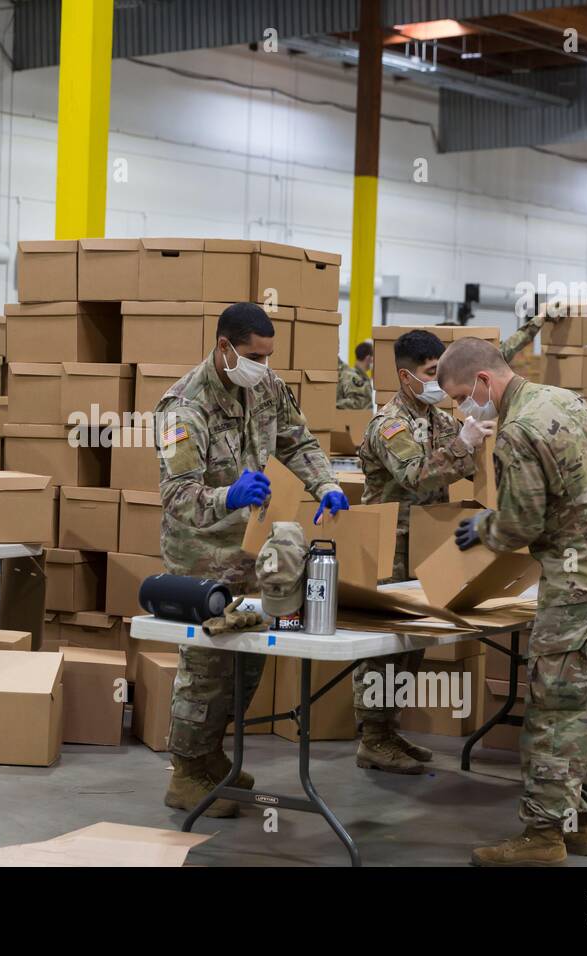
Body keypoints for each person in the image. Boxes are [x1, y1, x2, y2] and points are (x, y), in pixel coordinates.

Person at [439, 337, 587, 866]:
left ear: (484, 381)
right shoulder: (564, 399)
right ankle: (584, 822)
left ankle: (543, 835)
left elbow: (522, 524)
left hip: (580, 587)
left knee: (556, 710)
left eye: (463, 397)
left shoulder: (517, 431)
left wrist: (485, 528)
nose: (465, 410)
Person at [156, 302, 348, 817]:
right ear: (225, 347)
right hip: (201, 558)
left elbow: (297, 440)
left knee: (248, 660)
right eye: (254, 356)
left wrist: (325, 484)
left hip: (253, 551)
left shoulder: (267, 386)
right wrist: (229, 496)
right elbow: (177, 496)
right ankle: (186, 771)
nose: (263, 365)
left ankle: (212, 757)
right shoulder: (183, 406)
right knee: (206, 667)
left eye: (268, 356)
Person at [354, 330, 494, 773]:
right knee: (385, 645)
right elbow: (415, 475)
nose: (439, 380)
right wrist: (463, 445)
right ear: (405, 375)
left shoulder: (437, 420)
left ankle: (388, 730)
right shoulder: (389, 424)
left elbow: (465, 464)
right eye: (432, 372)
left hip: (423, 544)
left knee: (411, 644)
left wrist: (482, 437)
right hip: (389, 548)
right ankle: (372, 737)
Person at [336, 339, 374, 410]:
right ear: (368, 358)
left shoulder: (359, 377)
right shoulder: (351, 376)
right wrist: (331, 405)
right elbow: (358, 403)